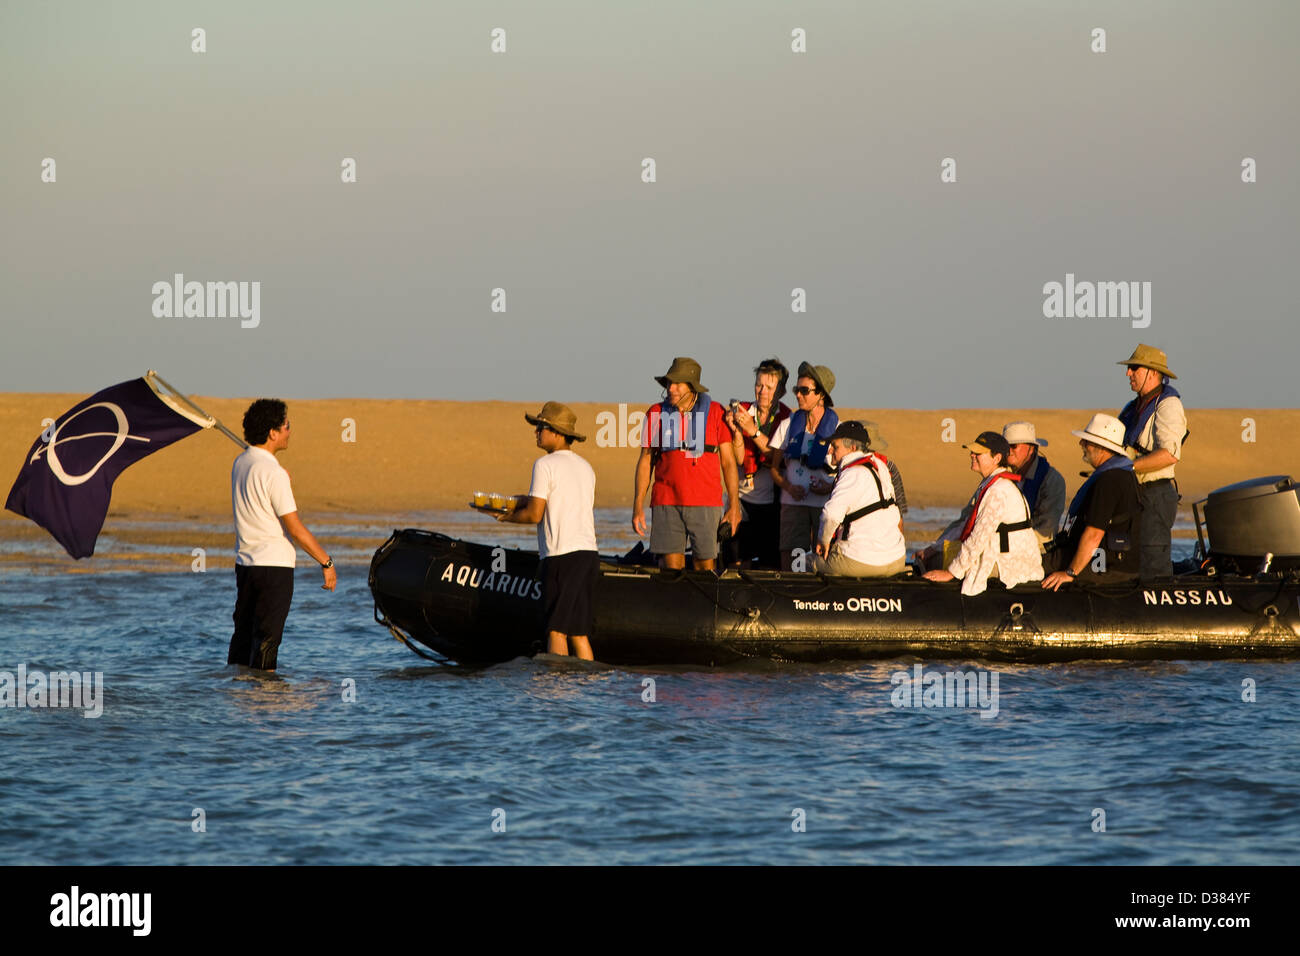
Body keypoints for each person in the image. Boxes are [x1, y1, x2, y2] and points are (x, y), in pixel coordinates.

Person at [228, 399, 336, 672]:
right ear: (272, 433)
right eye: (287, 425)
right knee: (267, 640)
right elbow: (296, 530)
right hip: (274, 568)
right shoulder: (273, 473)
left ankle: (240, 699)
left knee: (243, 638)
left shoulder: (240, 463)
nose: (290, 430)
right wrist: (326, 562)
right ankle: (266, 703)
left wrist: (277, 474)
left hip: (246, 566)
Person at [489, 402, 597, 659]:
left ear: (557, 432)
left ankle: (554, 692)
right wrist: (516, 501)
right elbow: (556, 499)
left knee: (556, 630)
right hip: (588, 555)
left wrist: (506, 517)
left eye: (540, 427)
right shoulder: (586, 467)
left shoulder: (544, 465)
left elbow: (535, 514)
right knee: (578, 633)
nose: (536, 432)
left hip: (561, 556)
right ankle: (588, 693)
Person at [632, 357, 742, 570]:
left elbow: (729, 463)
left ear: (692, 388)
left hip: (706, 503)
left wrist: (734, 507)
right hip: (666, 501)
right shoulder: (655, 413)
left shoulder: (716, 412)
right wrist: (638, 504)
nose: (671, 388)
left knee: (705, 566)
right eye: (669, 383)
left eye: (677, 384)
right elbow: (646, 461)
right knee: (670, 568)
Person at [921, 431, 1043, 595]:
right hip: (1001, 555)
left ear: (996, 458)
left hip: (1009, 563)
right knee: (935, 557)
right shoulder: (991, 484)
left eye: (978, 453)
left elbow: (978, 537)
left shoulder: (998, 491)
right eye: (972, 451)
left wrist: (950, 573)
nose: (972, 455)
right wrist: (935, 548)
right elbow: (966, 526)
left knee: (941, 563)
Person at [1042, 414, 1142, 590]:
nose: (1082, 445)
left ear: (1102, 448)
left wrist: (1070, 573)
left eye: (1087, 442)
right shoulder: (1123, 474)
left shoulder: (1109, 480)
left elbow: (1094, 534)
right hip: (1115, 561)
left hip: (1107, 566)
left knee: (1034, 567)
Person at [1117, 344, 1187, 580]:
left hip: (1155, 495)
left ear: (1152, 372)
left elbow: (1169, 454)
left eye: (1133, 368)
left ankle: (1161, 611)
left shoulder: (1168, 405)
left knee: (1153, 564)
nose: (1128, 374)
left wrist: (1128, 467)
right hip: (1132, 494)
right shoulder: (1131, 407)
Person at [812, 421, 906, 577]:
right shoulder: (881, 467)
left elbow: (830, 515)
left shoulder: (852, 473)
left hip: (862, 561)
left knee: (808, 561)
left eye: (835, 447)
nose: (829, 451)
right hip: (897, 559)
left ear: (853, 448)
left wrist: (823, 541)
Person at [768, 362, 838, 571]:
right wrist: (788, 487)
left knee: (824, 555)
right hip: (792, 505)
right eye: (796, 390)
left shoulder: (837, 429)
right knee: (791, 554)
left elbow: (846, 474)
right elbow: (774, 468)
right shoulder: (788, 425)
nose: (798, 395)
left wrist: (828, 488)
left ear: (821, 395)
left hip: (824, 507)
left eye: (804, 391)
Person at [723, 357, 791, 568]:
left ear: (780, 392)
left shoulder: (788, 418)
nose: (762, 391)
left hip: (771, 502)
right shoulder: (743, 411)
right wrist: (736, 432)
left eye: (769, 387)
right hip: (741, 497)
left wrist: (752, 431)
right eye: (759, 385)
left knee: (770, 563)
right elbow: (740, 459)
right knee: (734, 560)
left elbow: (778, 459)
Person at [1002, 421, 1066, 546]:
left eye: (1013, 445)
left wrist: (1007, 547)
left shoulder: (1052, 480)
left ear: (1031, 449)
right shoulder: (999, 475)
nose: (1008, 450)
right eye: (1005, 446)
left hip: (1033, 552)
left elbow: (1045, 531)